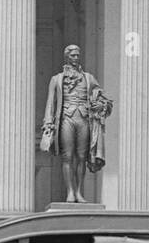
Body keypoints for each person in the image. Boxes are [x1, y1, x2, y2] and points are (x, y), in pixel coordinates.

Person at [41, 44, 113, 203]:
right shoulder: (57, 79)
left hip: (84, 118)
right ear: (67, 56)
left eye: (77, 55)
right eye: (72, 55)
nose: (75, 58)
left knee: (82, 156)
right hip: (66, 117)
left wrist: (101, 105)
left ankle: (79, 192)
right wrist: (48, 123)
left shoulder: (89, 78)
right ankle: (70, 192)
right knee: (67, 156)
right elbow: (50, 104)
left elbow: (103, 99)